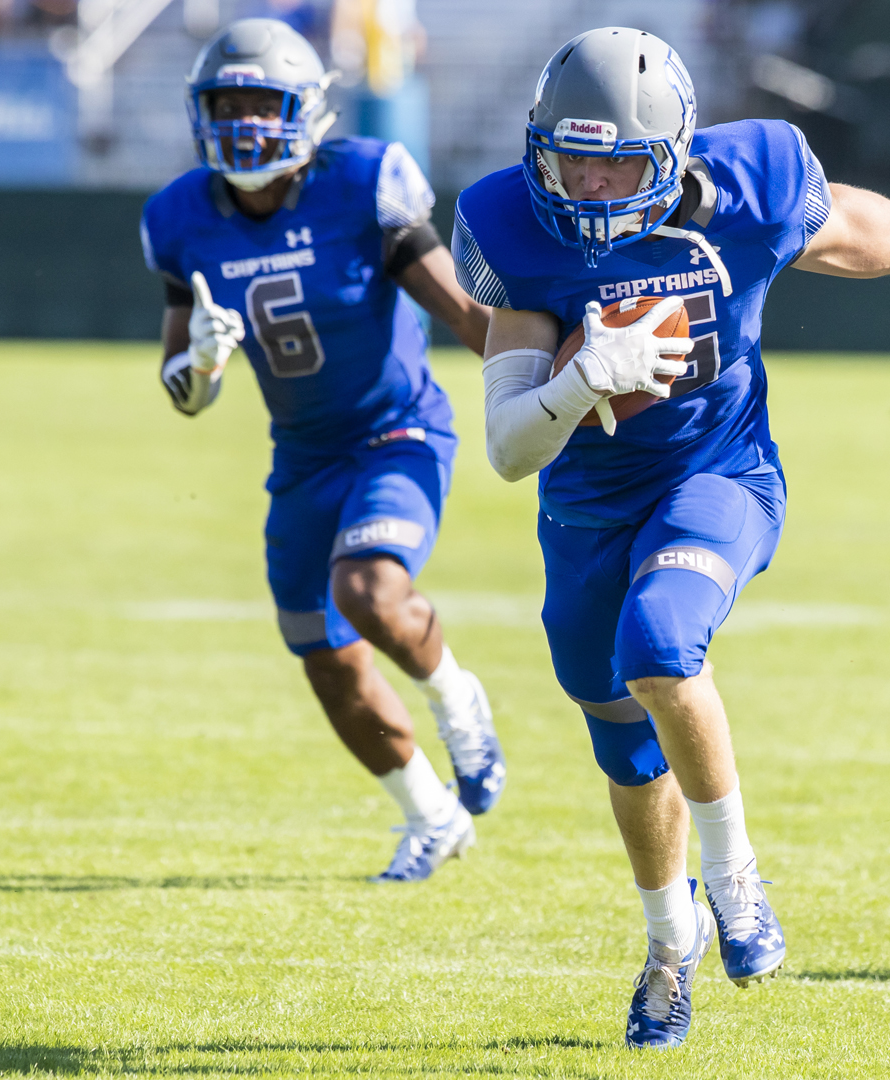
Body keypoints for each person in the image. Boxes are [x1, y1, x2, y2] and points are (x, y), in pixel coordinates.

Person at [452, 27, 890, 1048]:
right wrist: (579, 382)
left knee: (660, 647)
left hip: (720, 474)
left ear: (674, 152)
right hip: (584, 509)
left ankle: (738, 881)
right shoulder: (509, 224)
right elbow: (509, 449)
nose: (588, 180)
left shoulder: (755, 187)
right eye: (572, 153)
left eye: (618, 156)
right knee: (621, 743)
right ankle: (671, 943)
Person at [139, 18, 503, 883]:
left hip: (396, 430)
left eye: (260, 105)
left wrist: (561, 384)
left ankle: (459, 699)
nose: (242, 125)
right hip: (302, 456)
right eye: (225, 106)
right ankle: (430, 815)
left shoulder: (363, 184)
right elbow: (184, 391)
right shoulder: (180, 218)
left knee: (369, 589)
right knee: (325, 656)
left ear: (304, 111)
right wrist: (199, 363)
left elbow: (460, 312)